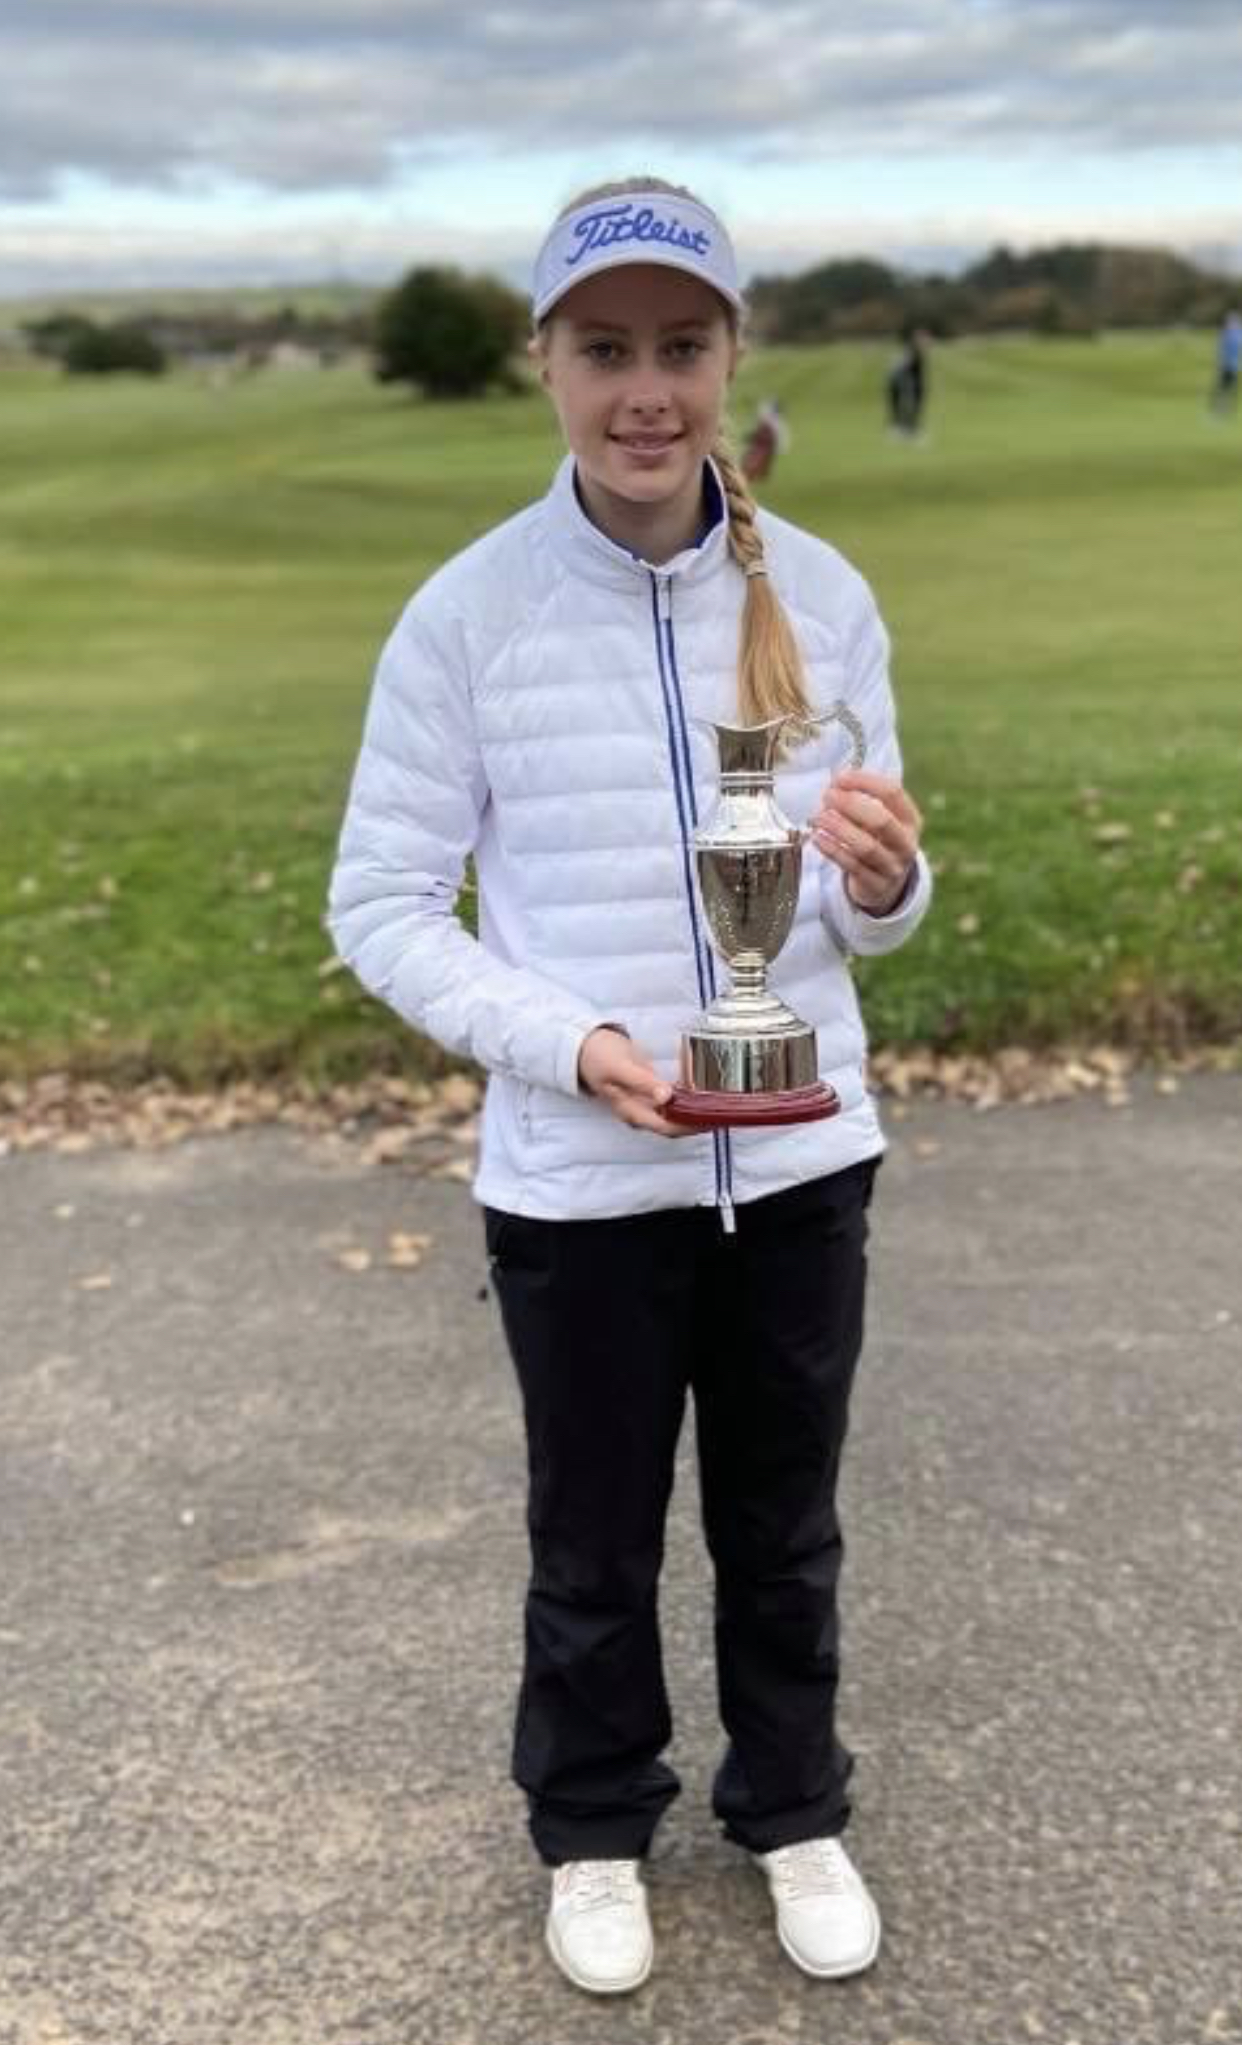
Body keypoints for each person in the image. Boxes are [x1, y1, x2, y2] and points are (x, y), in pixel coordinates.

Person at [327, 177, 932, 1997]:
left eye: (681, 348)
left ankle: (791, 1805)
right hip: (581, 1179)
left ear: (730, 358)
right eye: (607, 351)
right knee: (588, 1532)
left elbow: (858, 899)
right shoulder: (467, 616)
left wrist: (890, 884)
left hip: (802, 1148)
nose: (645, 390)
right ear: (548, 366)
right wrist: (572, 1048)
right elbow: (379, 907)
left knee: (786, 1519)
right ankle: (595, 1829)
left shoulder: (816, 592)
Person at [886, 326, 929, 437]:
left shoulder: (918, 352)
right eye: (922, 338)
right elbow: (903, 367)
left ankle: (910, 429)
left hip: (917, 383)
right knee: (907, 407)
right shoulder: (911, 351)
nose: (924, 341)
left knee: (915, 408)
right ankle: (904, 430)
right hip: (911, 384)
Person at [741, 396, 787, 483]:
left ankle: (752, 475)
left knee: (757, 461)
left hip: (763, 448)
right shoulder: (770, 424)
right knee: (754, 460)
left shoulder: (774, 425)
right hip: (761, 447)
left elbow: (769, 437)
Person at [1210, 308, 1241, 415]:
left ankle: (1224, 410)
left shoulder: (1233, 334)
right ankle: (1221, 410)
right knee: (1223, 390)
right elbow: (1221, 351)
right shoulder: (1228, 334)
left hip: (1231, 367)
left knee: (1227, 390)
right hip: (1227, 366)